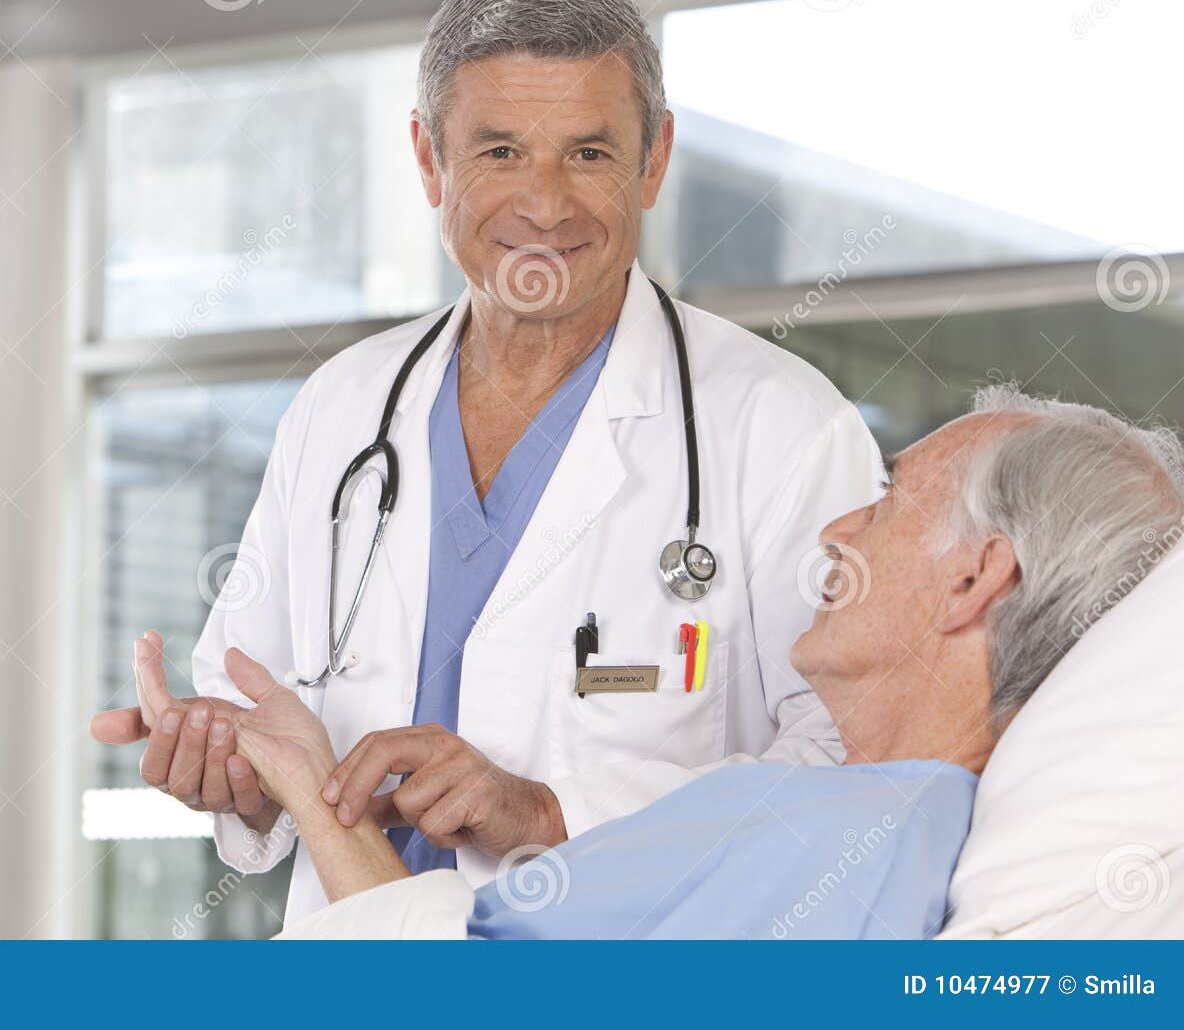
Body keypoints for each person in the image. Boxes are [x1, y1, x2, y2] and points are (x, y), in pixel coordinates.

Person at [91, 0, 884, 924]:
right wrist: (234, 770)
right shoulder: (342, 409)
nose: (544, 204)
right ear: (429, 159)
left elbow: (858, 759)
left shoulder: (785, 426)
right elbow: (255, 699)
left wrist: (551, 813)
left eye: (588, 153)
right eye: (500, 151)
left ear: (654, 160)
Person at [190, 387, 1184, 937]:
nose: (837, 526)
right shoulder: (858, 816)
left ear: (972, 579)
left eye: (885, 501)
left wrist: (307, 784)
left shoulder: (858, 835)